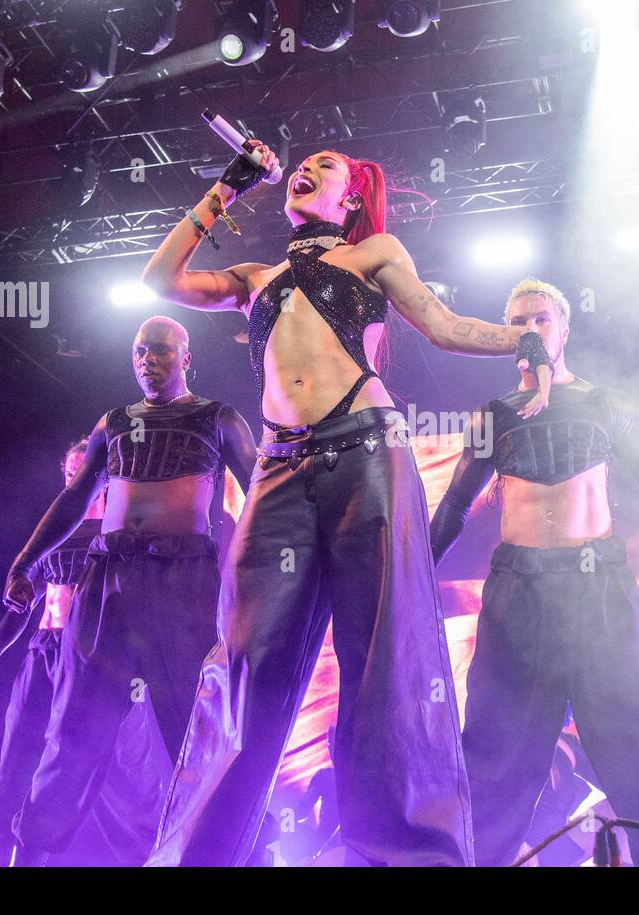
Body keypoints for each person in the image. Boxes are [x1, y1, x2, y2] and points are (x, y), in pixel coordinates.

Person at [139, 139, 553, 866]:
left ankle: (403, 857)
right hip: (277, 470)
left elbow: (447, 327)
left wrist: (526, 343)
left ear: (351, 198)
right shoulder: (254, 276)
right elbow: (159, 278)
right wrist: (227, 188)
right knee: (245, 665)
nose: (307, 167)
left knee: (382, 660)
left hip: (366, 450)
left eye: (327, 166)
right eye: (303, 163)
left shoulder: (372, 253)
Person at [429, 278, 639, 866]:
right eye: (519, 322)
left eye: (541, 319)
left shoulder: (604, 403)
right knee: (495, 744)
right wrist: (413, 578)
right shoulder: (494, 415)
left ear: (564, 329)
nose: (530, 330)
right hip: (520, 590)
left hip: (599, 587)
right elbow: (456, 505)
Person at [1, 316, 256, 866]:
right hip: (107, 587)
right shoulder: (113, 423)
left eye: (161, 350)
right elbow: (73, 499)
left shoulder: (218, 418)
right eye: (140, 351)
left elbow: (262, 498)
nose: (148, 360)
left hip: (183, 586)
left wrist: (265, 579)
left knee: (196, 735)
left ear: (186, 357)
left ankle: (224, 858)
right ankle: (32, 856)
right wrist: (26, 561)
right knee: (72, 734)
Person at [0, 439, 166, 866]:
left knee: (99, 769)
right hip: (46, 653)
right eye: (69, 474)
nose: (76, 480)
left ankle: (150, 853)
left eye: (83, 473)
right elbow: (23, 603)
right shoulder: (52, 539)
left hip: (95, 660)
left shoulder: (120, 533)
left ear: (103, 479)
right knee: (17, 755)